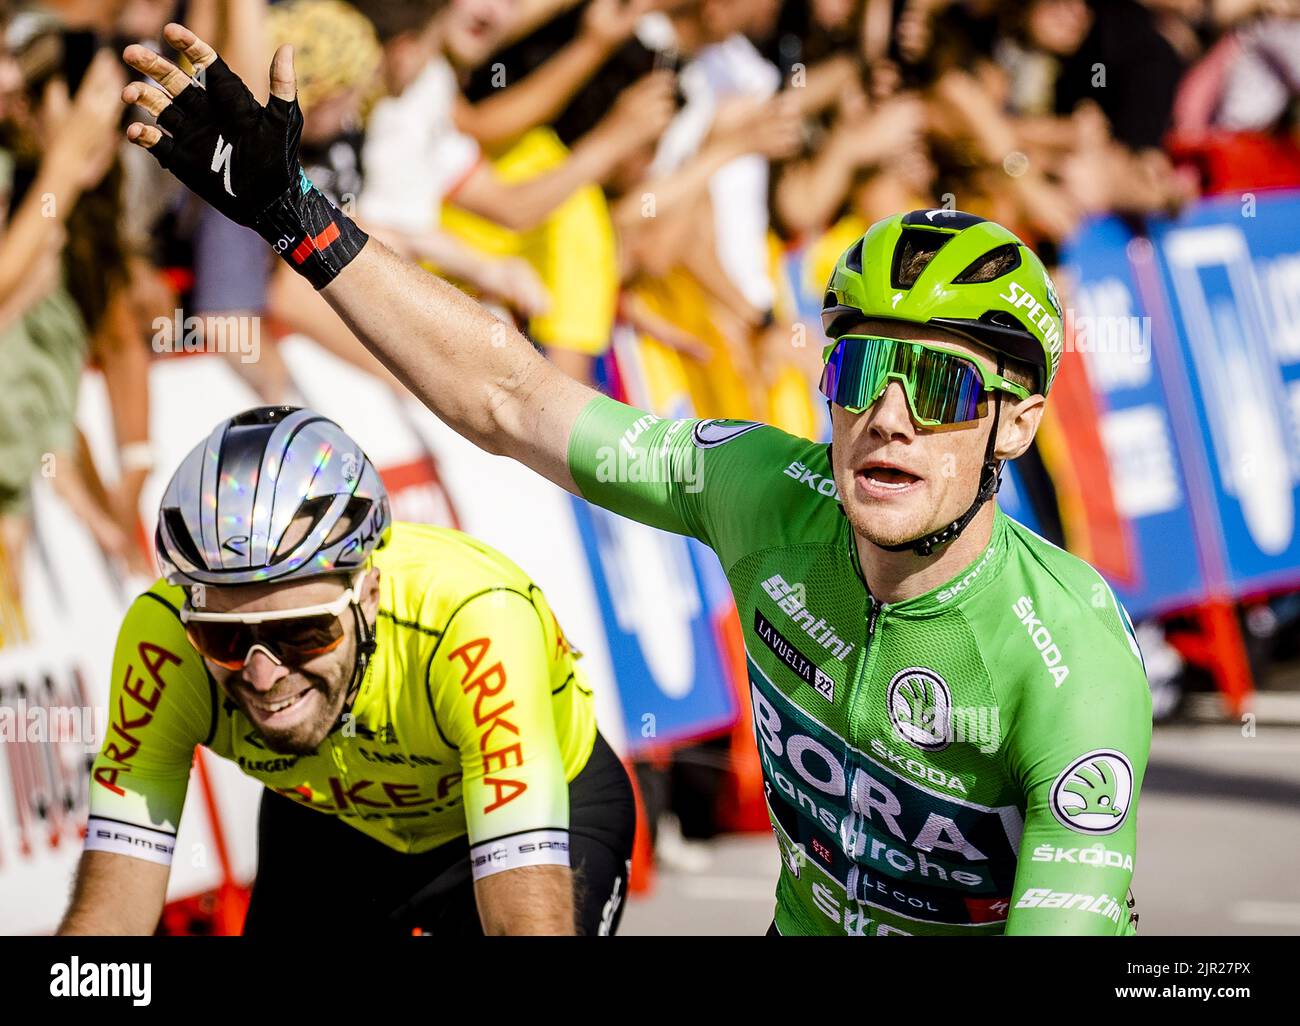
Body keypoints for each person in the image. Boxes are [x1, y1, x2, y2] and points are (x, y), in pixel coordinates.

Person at [117, 24, 1153, 935]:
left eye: (937, 385)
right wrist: (298, 217)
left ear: (1018, 422)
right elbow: (510, 395)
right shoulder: (762, 488)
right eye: (861, 372)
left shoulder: (1070, 662)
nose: (888, 417)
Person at [59, 406, 635, 936]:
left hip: (514, 808)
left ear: (369, 595)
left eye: (302, 632)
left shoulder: (475, 619)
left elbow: (525, 927)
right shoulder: (164, 639)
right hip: (333, 819)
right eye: (224, 638)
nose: (264, 676)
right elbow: (110, 918)